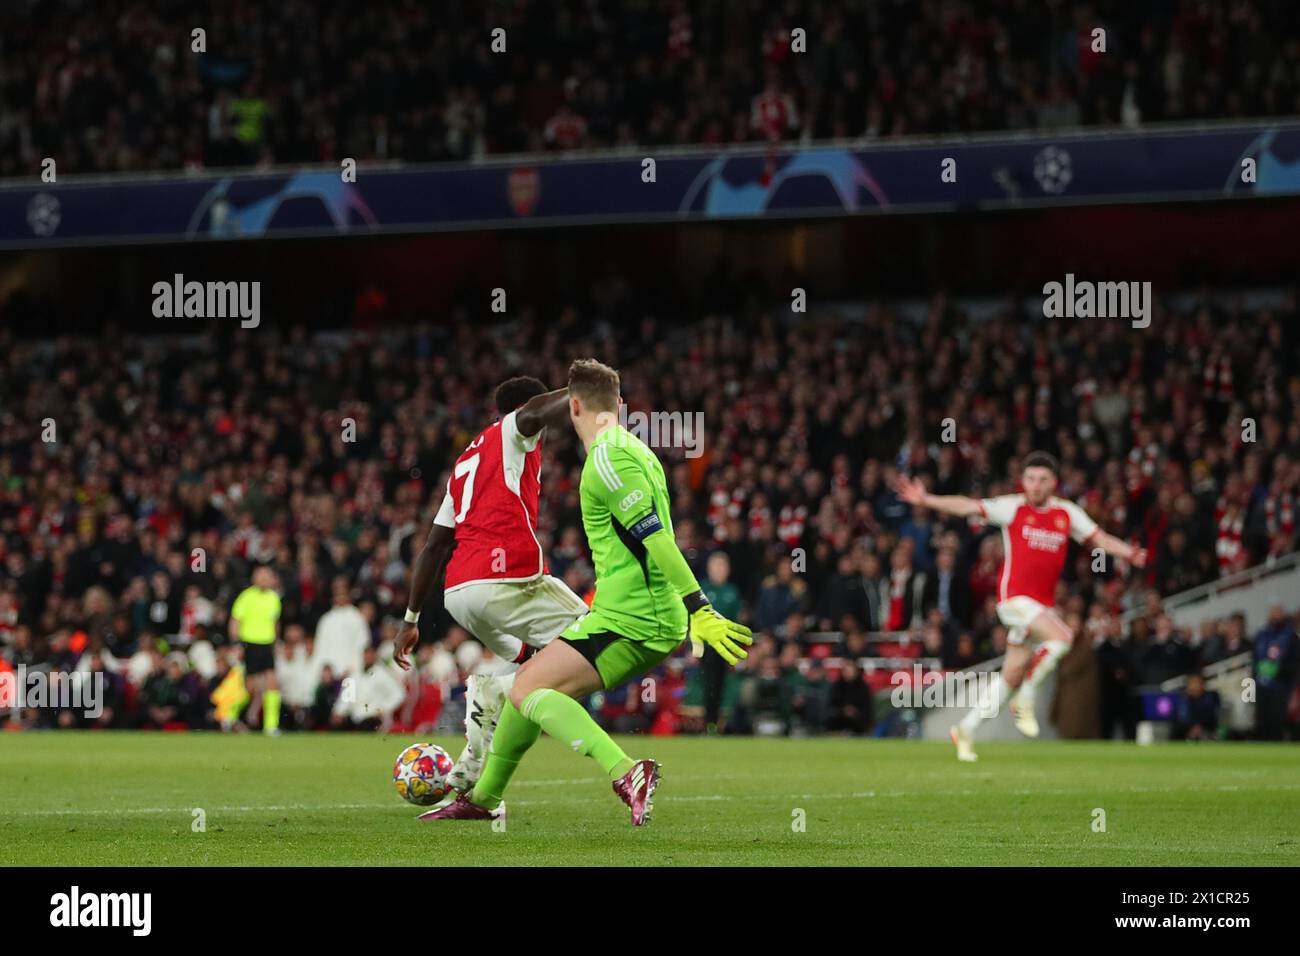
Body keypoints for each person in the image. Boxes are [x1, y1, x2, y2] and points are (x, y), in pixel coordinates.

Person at [422, 358, 751, 825]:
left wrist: (698, 605)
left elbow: (657, 538)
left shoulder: (608, 459)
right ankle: (484, 796)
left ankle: (625, 771)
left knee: (531, 688)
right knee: (528, 687)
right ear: (618, 405)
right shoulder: (634, 449)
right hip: (635, 614)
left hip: (634, 617)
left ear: (572, 405)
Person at [393, 377, 587, 792]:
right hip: (504, 578)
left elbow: (433, 547)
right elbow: (534, 412)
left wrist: (410, 618)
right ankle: (493, 691)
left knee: (540, 665)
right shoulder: (514, 430)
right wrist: (582, 391)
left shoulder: (465, 465)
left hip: (460, 594)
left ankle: (475, 772)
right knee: (599, 640)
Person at [893, 451, 1147, 761]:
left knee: (1010, 675)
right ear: (1022, 481)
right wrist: (927, 500)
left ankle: (965, 729)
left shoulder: (1066, 513)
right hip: (1014, 600)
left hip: (1041, 607)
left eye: (1042, 479)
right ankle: (1026, 698)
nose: (1035, 485)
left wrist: (1128, 554)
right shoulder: (1013, 507)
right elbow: (968, 506)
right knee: (1064, 638)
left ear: (1054, 482)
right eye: (1030, 479)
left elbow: (1099, 538)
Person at [228, 565, 283, 735]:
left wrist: (276, 643)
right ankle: (229, 714)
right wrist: (236, 643)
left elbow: (275, 624)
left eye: (267, 576)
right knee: (250, 688)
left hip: (266, 645)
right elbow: (235, 622)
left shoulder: (274, 598)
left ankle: (271, 726)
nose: (264, 579)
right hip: (249, 644)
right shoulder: (246, 597)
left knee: (272, 684)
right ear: (254, 578)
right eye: (260, 576)